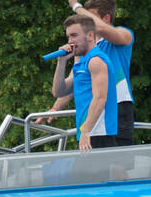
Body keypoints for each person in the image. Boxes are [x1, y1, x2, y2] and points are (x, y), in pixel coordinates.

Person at [39, 0, 135, 145]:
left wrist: (76, 6)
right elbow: (75, 83)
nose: (86, 23)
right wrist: (55, 109)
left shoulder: (123, 34)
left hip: (118, 105)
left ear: (106, 18)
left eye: (89, 19)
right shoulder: (84, 51)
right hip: (93, 112)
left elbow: (103, 29)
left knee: (119, 164)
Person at [51, 14, 118, 150]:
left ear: (90, 35)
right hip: (88, 134)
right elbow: (58, 92)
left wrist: (86, 131)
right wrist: (61, 62)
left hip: (98, 133)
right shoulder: (82, 62)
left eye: (74, 35)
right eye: (68, 37)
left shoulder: (96, 60)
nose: (70, 41)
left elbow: (100, 98)